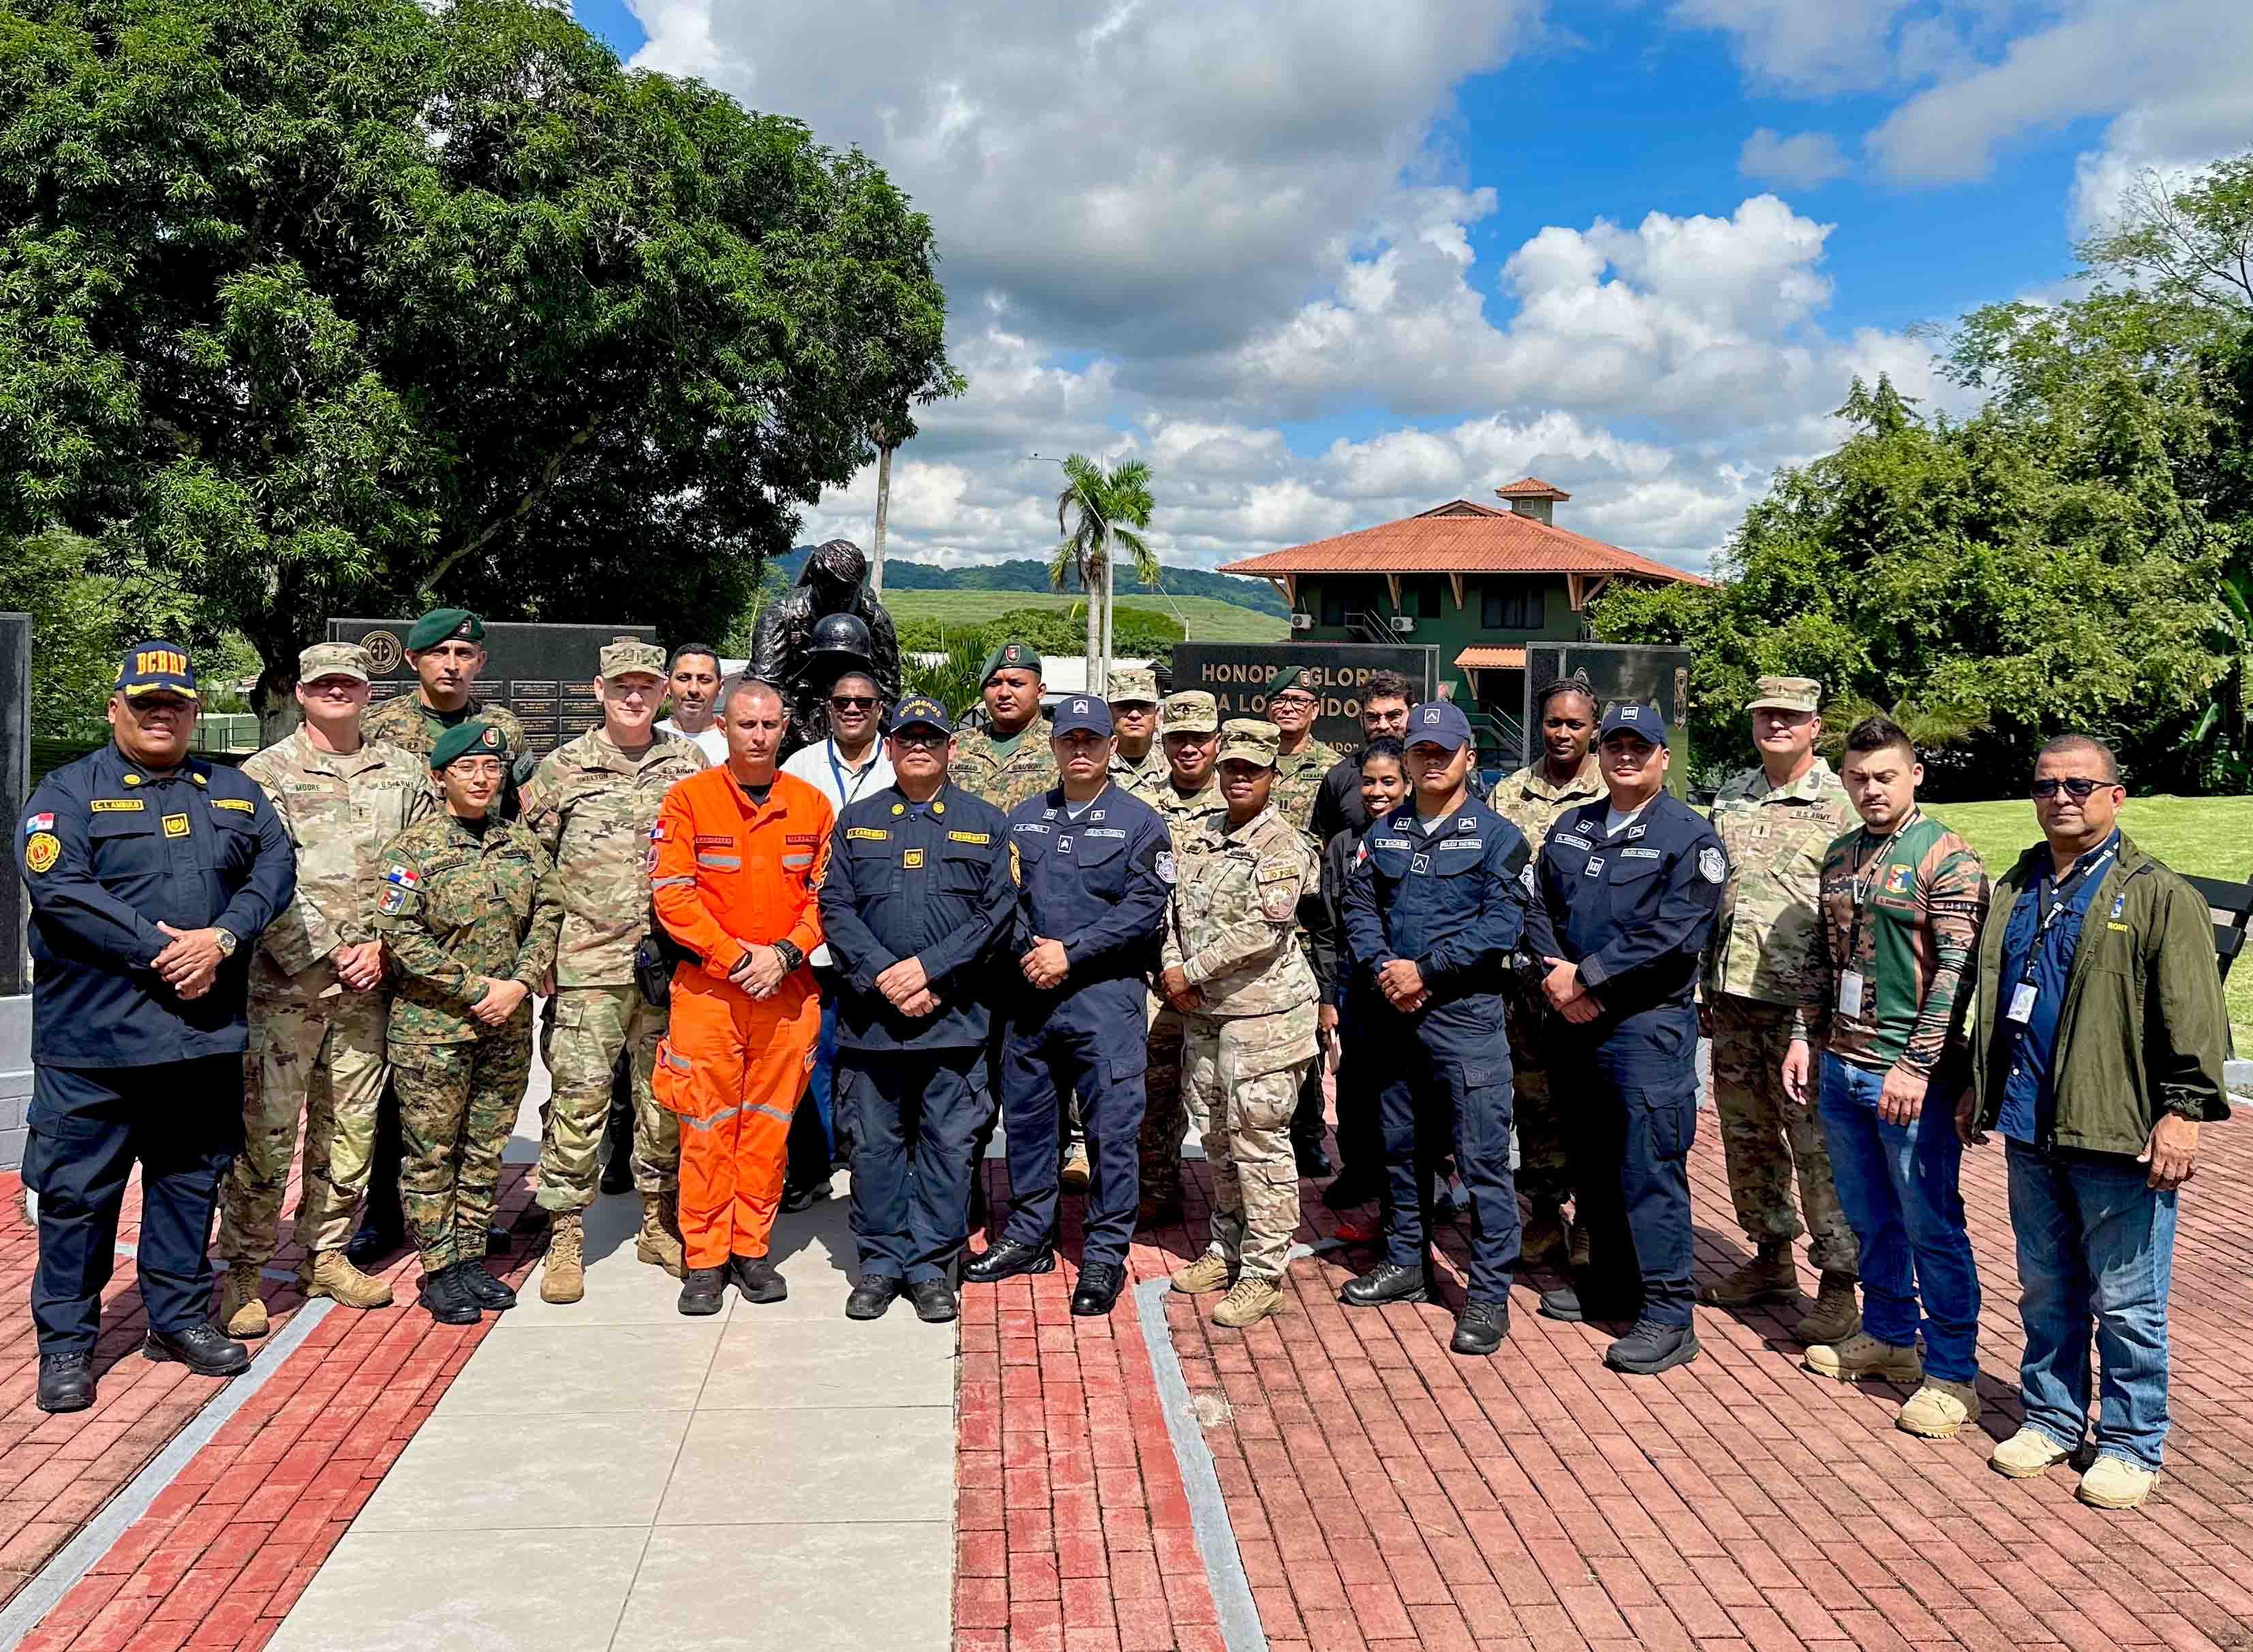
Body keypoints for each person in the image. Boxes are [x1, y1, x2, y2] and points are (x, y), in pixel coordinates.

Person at [18, 643, 296, 1413]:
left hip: (200, 1040)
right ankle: (68, 1344)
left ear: (194, 711)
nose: (161, 714)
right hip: (94, 1048)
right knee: (78, 1200)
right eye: (146, 704)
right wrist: (168, 949)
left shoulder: (235, 791)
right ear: (117, 710)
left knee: (186, 1185)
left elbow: (274, 870)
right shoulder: (68, 792)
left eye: (175, 703)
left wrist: (226, 938)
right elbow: (60, 887)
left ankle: (175, 1321)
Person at [1960, 735, 2229, 1509]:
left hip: (2116, 1132)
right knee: (2045, 1288)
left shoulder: (2156, 893)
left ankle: (2133, 1443)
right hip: (2029, 1124)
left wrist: (2182, 1115)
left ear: (2116, 796)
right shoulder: (2020, 884)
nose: (2062, 797)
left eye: (2080, 784)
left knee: (2127, 1302)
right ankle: (2051, 1417)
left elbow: (2196, 1019)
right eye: (2047, 785)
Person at [215, 643, 433, 1341]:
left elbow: (416, 866)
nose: (338, 692)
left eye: (351, 683)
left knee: (351, 1130)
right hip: (286, 986)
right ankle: (244, 1272)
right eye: (324, 684)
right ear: (303, 693)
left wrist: (382, 946)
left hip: (369, 985)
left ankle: (327, 1254)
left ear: (369, 693)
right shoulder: (263, 774)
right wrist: (328, 950)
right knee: (267, 1136)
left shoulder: (404, 773)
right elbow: (254, 879)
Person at [1782, 717, 1987, 1439]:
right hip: (1842, 1066)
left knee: (1932, 1223)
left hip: (1909, 1078)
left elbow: (1957, 977)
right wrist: (1808, 1039)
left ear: (1915, 776)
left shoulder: (1950, 859)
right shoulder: (1841, 854)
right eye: (1859, 777)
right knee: (1870, 1218)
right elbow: (1820, 955)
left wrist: (1917, 1064)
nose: (1871, 789)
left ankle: (1954, 1372)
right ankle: (1892, 1335)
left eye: (1886, 776)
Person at [1523, 702, 1723, 1375]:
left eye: (1642, 746)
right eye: (1616, 746)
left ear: (1664, 757)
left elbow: (1675, 934)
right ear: (1600, 754)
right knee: (1595, 1166)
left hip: (1646, 1030)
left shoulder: (1689, 837)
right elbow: (1538, 907)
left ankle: (1668, 1315)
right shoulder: (1573, 826)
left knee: (1649, 1171)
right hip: (1576, 1024)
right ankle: (1610, 1282)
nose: (1627, 757)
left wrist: (1591, 978)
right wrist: (1557, 977)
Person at [964, 697, 1171, 1317]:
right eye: (1069, 739)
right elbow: (1004, 898)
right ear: (1053, 746)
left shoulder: (1140, 823)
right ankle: (1029, 1235)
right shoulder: (1024, 818)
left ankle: (1105, 1253)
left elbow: (1143, 910)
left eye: (1092, 739)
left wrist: (1071, 954)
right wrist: (1032, 951)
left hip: (1104, 1001)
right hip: (1031, 999)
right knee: (1028, 1126)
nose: (1080, 750)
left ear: (1111, 747)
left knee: (1111, 1133)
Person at [1338, 701, 1531, 1356]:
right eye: (1421, 751)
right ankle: (1406, 1264)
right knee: (1400, 1148)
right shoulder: (1384, 833)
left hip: (1465, 1019)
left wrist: (1426, 971)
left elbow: (1502, 927)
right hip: (1395, 1015)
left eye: (1443, 753)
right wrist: (1385, 967)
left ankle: (1487, 1294)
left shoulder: (1501, 838)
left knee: (1481, 1160)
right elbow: (1359, 905)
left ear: (1468, 758)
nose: (1430, 762)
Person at [519, 639, 707, 1304]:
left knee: (664, 1102)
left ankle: (658, 1223)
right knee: (577, 1103)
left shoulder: (687, 763)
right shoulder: (563, 768)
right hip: (586, 967)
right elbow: (530, 866)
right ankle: (566, 1235)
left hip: (667, 967)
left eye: (646, 686)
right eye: (621, 686)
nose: (635, 697)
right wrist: (537, 955)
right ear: (599, 690)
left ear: (663, 694)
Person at [818, 695, 1015, 1324]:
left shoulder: (987, 823)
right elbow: (836, 909)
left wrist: (928, 973)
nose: (919, 747)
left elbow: (996, 915)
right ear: (892, 747)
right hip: (873, 1023)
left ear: (951, 748)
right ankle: (878, 1265)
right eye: (908, 738)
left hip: (952, 1021)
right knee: (873, 1149)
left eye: (932, 737)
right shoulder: (856, 820)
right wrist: (885, 976)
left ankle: (932, 1265)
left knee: (947, 1148)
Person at [649, 678, 833, 1315]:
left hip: (786, 993)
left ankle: (751, 1250)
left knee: (766, 1130)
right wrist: (735, 959)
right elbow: (673, 894)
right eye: (747, 724)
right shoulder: (689, 801)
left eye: (770, 725)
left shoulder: (811, 805)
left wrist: (782, 955)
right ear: (723, 727)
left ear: (786, 729)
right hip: (709, 992)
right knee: (705, 1127)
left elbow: (825, 899)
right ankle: (703, 1260)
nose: (759, 736)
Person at [351, 606, 528, 1267]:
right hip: (402, 924)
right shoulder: (380, 725)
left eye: (464, 652)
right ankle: (384, 1214)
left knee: (473, 1106)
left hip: (476, 930)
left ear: (480, 662)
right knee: (404, 1098)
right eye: (439, 652)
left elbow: (521, 815)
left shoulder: (502, 728)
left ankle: (460, 1226)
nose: (451, 664)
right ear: (413, 660)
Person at [371, 722, 562, 1325]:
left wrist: (519, 983)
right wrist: (476, 988)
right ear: (440, 777)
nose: (481, 779)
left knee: (484, 1150)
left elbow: (550, 911)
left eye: (491, 769)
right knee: (432, 1153)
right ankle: (440, 1268)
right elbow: (400, 934)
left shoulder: (521, 843)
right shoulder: (411, 851)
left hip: (505, 1025)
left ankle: (472, 1254)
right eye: (466, 769)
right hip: (433, 1029)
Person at [1700, 676, 1860, 1344]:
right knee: (1748, 1140)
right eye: (1767, 715)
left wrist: (1813, 1018)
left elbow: (1848, 922)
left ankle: (1839, 1283)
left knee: (1815, 1148)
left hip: (1803, 1008)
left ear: (1815, 726)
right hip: (1733, 999)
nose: (1777, 726)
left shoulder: (1841, 806)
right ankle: (1769, 1259)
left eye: (1791, 717)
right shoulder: (1732, 796)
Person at [1163, 719, 1322, 1329]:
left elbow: (1264, 928)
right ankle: (1225, 1247)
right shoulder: (1200, 836)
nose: (1237, 780)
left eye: (1251, 771)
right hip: (1205, 1013)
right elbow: (1170, 909)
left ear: (1272, 779)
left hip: (1267, 1017)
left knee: (1259, 1140)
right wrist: (1175, 965)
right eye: (1231, 769)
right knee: (1217, 1139)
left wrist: (1190, 968)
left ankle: (1263, 1272)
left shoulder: (1284, 846)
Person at [1485, 675, 1606, 1269]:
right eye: (1554, 723)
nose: (1562, 733)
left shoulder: (1615, 790)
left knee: (1589, 1100)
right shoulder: (1509, 793)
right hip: (1525, 981)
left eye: (1575, 724)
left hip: (1588, 980)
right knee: (1533, 1101)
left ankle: (1590, 1219)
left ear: (1594, 729)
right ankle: (1543, 1213)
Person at [780, 667, 896, 1212]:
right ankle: (813, 1166)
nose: (852, 709)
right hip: (814, 944)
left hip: (881, 947)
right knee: (810, 1059)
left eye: (863, 702)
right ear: (828, 708)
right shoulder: (799, 767)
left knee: (872, 1060)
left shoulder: (900, 764)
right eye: (842, 701)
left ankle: (871, 1159)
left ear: (879, 709)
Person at [1302, 737, 1410, 1237]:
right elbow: (1326, 928)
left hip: (1407, 989)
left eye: (1389, 781)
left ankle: (1410, 1192)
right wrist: (1327, 998)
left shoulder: (1419, 840)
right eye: (1369, 781)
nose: (1377, 791)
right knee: (1353, 1090)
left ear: (1407, 784)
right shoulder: (1344, 845)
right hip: (1352, 988)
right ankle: (1360, 1171)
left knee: (1402, 1098)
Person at [1134, 690, 1225, 1229]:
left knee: (1221, 1099)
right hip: (1157, 978)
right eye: (1178, 740)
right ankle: (1157, 1189)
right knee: (1155, 1092)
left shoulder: (1242, 799)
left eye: (1199, 740)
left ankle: (1230, 1204)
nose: (1188, 750)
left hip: (1222, 982)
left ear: (1216, 743)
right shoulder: (1140, 805)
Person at [1263, 667, 1345, 1178]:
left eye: (1301, 699)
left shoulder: (1332, 770)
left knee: (1306, 1041)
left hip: (1307, 922)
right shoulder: (1249, 759)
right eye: (1281, 698)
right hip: (1254, 920)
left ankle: (1309, 1136)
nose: (1290, 706)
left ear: (1316, 709)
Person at [748, 538, 902, 755]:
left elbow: (888, 690)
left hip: (857, 730)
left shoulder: (874, 618)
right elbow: (762, 685)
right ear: (816, 582)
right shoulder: (782, 616)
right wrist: (798, 728)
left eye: (846, 593)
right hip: (793, 729)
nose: (839, 601)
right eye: (831, 591)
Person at [949, 641, 1060, 813]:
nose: (1004, 693)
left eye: (1016, 684)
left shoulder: (1062, 744)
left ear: (1040, 692)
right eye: (994, 684)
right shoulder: (956, 745)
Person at [1308, 670, 1415, 846]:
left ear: (1412, 714)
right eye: (1372, 717)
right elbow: (1323, 844)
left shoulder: (1431, 774)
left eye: (1393, 716)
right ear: (1360, 719)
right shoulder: (1339, 777)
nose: (1382, 726)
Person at [656, 643, 729, 765]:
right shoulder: (648, 738)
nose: (693, 689)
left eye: (705, 680)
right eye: (684, 678)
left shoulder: (734, 743)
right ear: (668, 686)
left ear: (720, 687)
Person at [1107, 668, 1166, 797]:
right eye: (1124, 706)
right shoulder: (1095, 764)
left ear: (1156, 715)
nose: (1134, 715)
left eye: (1143, 706)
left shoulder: (1173, 763)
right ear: (1109, 713)